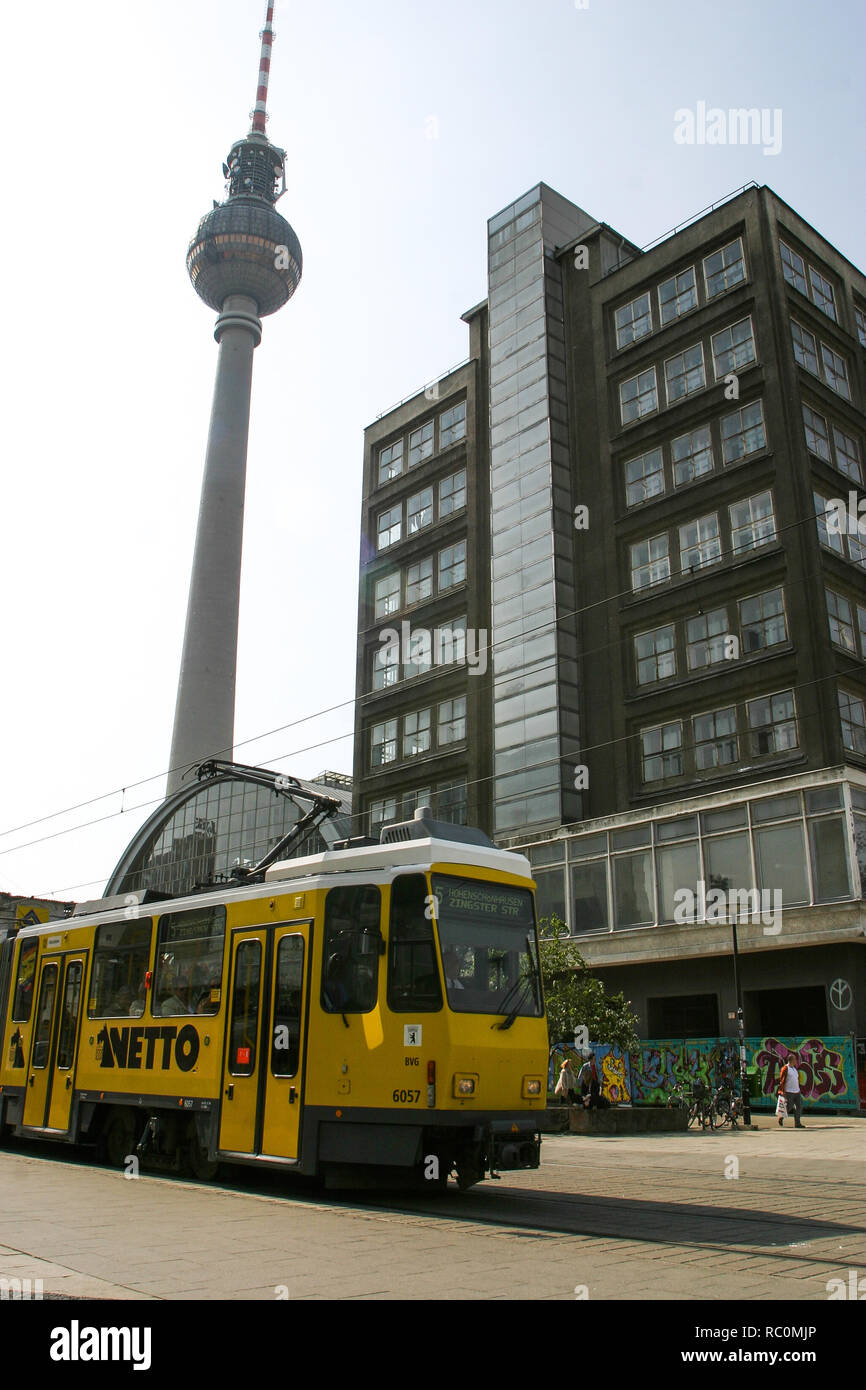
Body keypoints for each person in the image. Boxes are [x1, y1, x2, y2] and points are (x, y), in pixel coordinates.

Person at [778, 1054, 804, 1127]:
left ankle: (797, 1123)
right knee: (789, 1106)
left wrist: (799, 1089)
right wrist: (782, 1091)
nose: (796, 1061)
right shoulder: (785, 1068)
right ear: (791, 1060)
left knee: (799, 1106)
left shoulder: (794, 1069)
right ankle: (781, 1117)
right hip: (789, 1091)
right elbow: (782, 1081)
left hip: (797, 1091)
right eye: (795, 1059)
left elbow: (796, 1080)